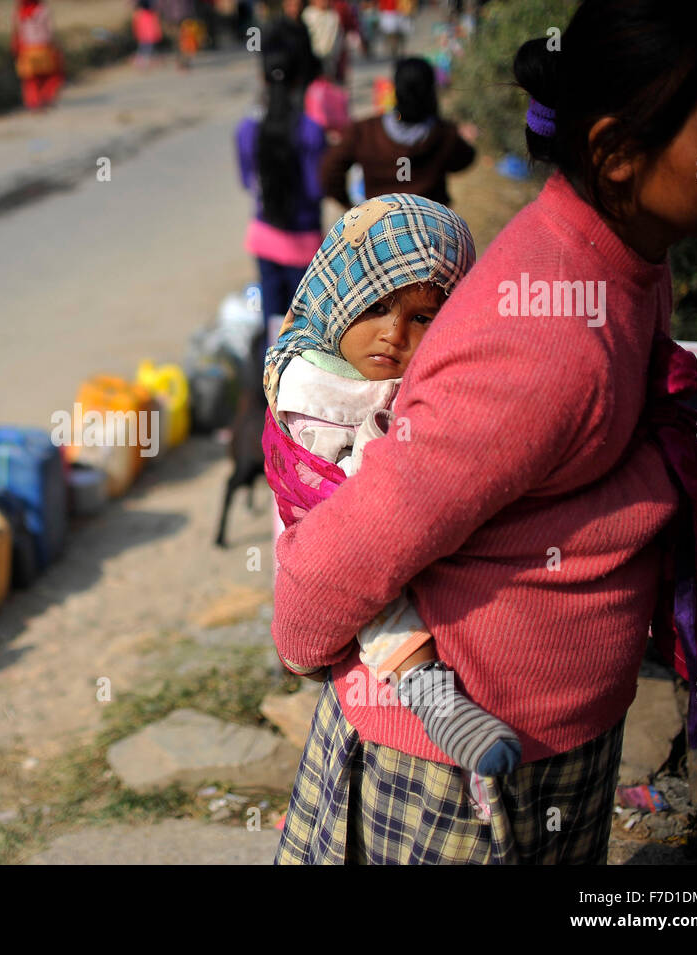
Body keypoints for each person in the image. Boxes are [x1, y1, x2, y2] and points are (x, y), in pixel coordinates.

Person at [273, 0, 697, 865]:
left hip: (541, 734)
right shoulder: (543, 335)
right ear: (616, 156)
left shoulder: (622, 267)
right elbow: (335, 561)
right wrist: (310, 640)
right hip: (454, 771)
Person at [263, 194, 523, 780]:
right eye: (375, 305)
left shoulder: (418, 377)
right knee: (382, 603)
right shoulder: (313, 384)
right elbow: (350, 515)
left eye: (425, 317)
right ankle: (432, 696)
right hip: (332, 547)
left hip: (372, 540)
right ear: (339, 292)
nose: (393, 335)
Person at [234, 25, 325, 366]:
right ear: (300, 80)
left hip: (263, 238)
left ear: (262, 78)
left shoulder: (246, 130)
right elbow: (316, 189)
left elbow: (247, 183)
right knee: (303, 328)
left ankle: (270, 388)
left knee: (274, 319)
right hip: (304, 245)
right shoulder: (311, 132)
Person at [322, 57, 474, 207]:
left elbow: (330, 171)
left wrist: (351, 207)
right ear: (431, 92)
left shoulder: (364, 131)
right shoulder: (444, 134)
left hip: (381, 225)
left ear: (395, 89)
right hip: (429, 225)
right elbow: (463, 160)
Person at [11, 0, 63, 111]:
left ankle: (33, 102)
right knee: (50, 76)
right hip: (43, 48)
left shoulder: (19, 12)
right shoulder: (43, 10)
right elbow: (50, 30)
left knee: (30, 80)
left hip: (26, 50)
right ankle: (46, 98)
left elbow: (16, 32)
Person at [133, 0, 163, 69]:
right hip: (146, 34)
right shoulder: (148, 14)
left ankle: (143, 61)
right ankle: (143, 62)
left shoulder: (140, 14)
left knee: (146, 47)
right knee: (146, 47)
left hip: (146, 35)